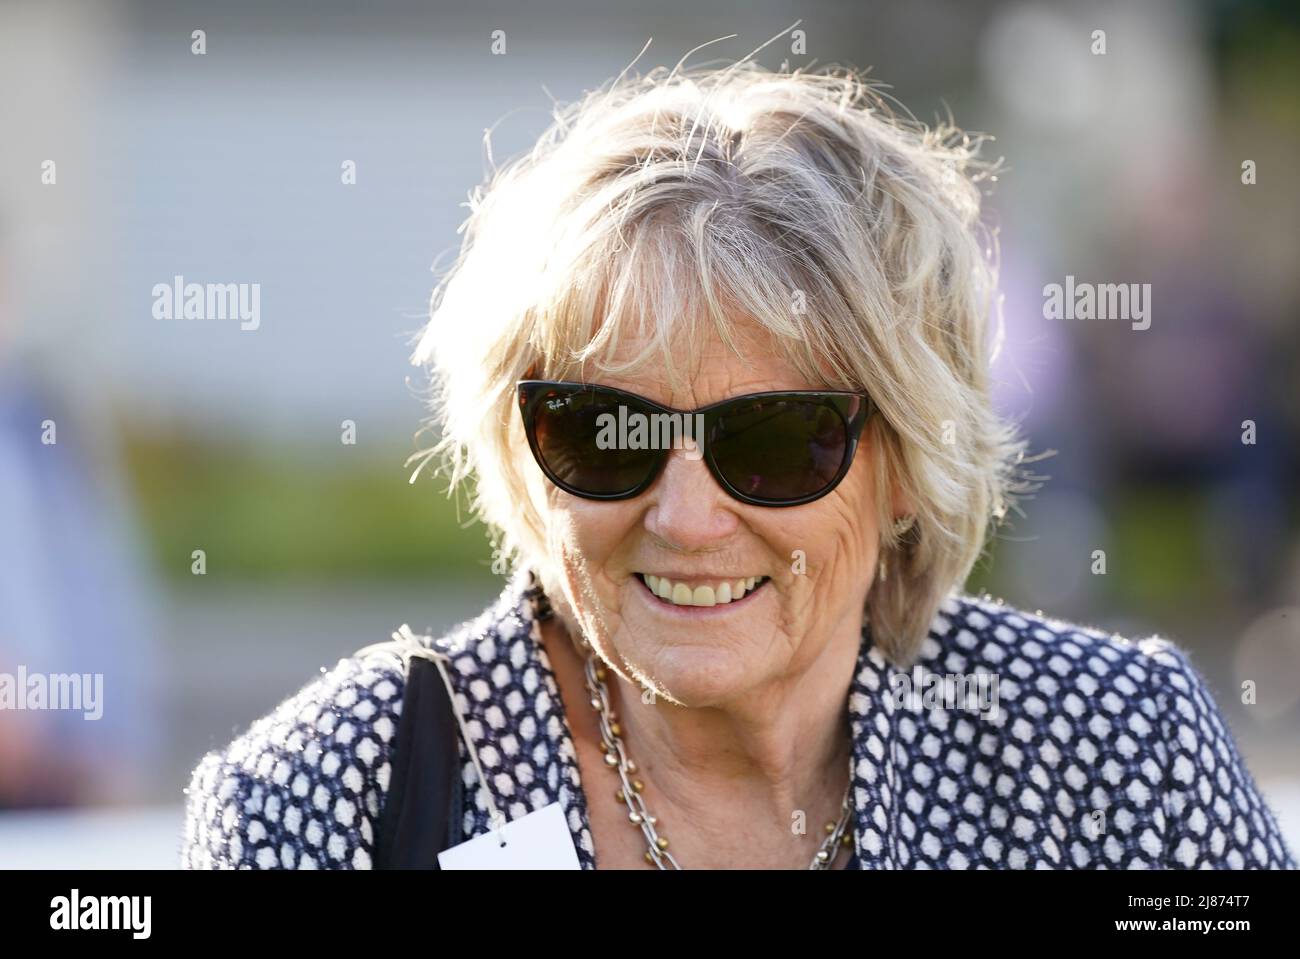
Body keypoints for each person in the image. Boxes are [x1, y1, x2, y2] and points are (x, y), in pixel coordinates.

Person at [181, 62, 1295, 869]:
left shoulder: (1112, 753)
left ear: (906, 461)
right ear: (523, 454)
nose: (686, 515)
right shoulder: (328, 801)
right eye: (603, 428)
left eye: (770, 441)